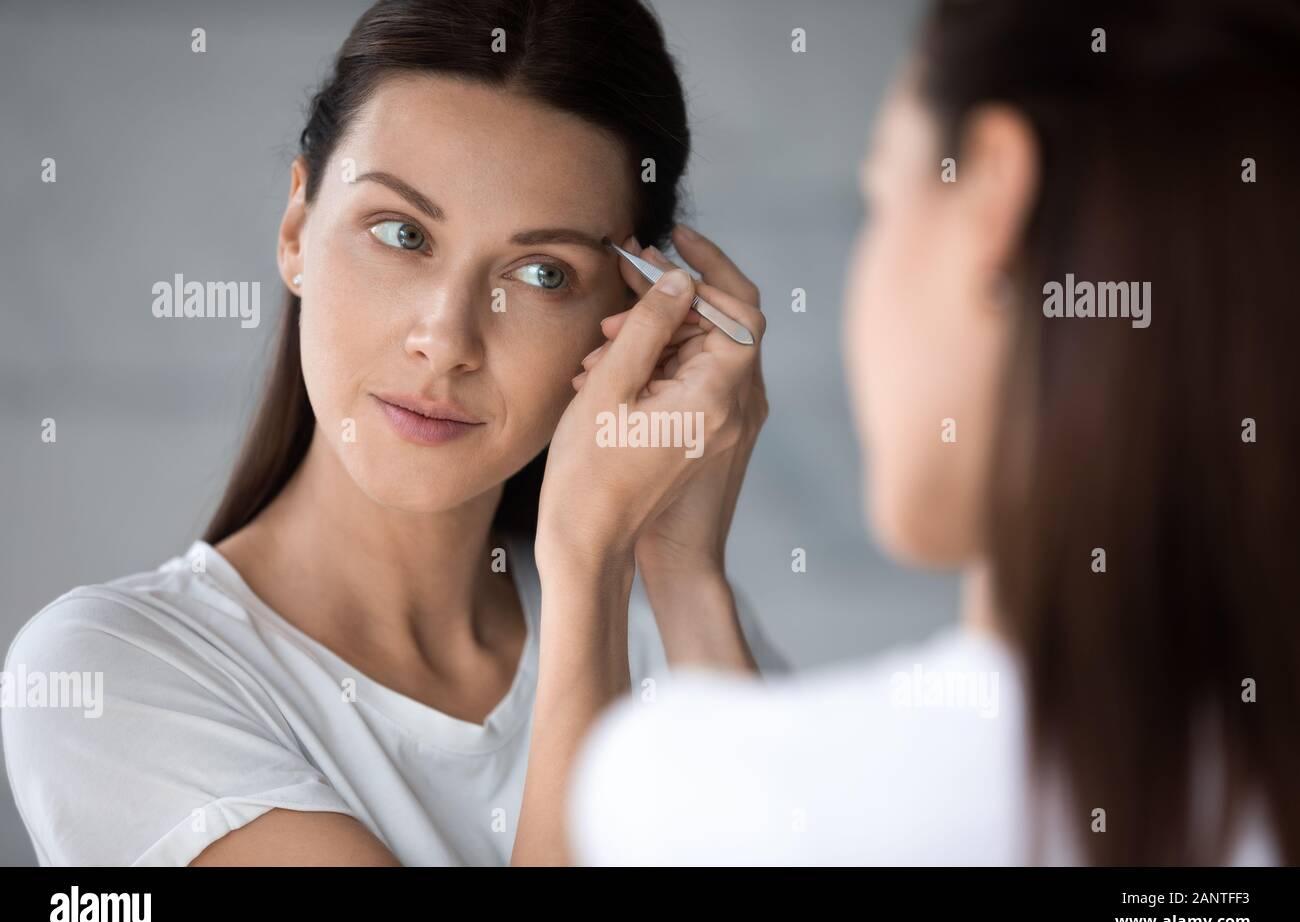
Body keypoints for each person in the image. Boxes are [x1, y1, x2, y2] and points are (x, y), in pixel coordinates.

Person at [1, 0, 781, 867]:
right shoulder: (111, 677)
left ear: (632, 318)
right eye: (403, 233)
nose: (446, 341)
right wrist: (589, 559)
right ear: (297, 229)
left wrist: (684, 574)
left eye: (541, 273)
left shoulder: (668, 637)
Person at [564, 0, 1299, 865]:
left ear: (994, 194)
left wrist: (583, 549)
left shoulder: (676, 789)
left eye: (875, 199)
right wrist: (681, 571)